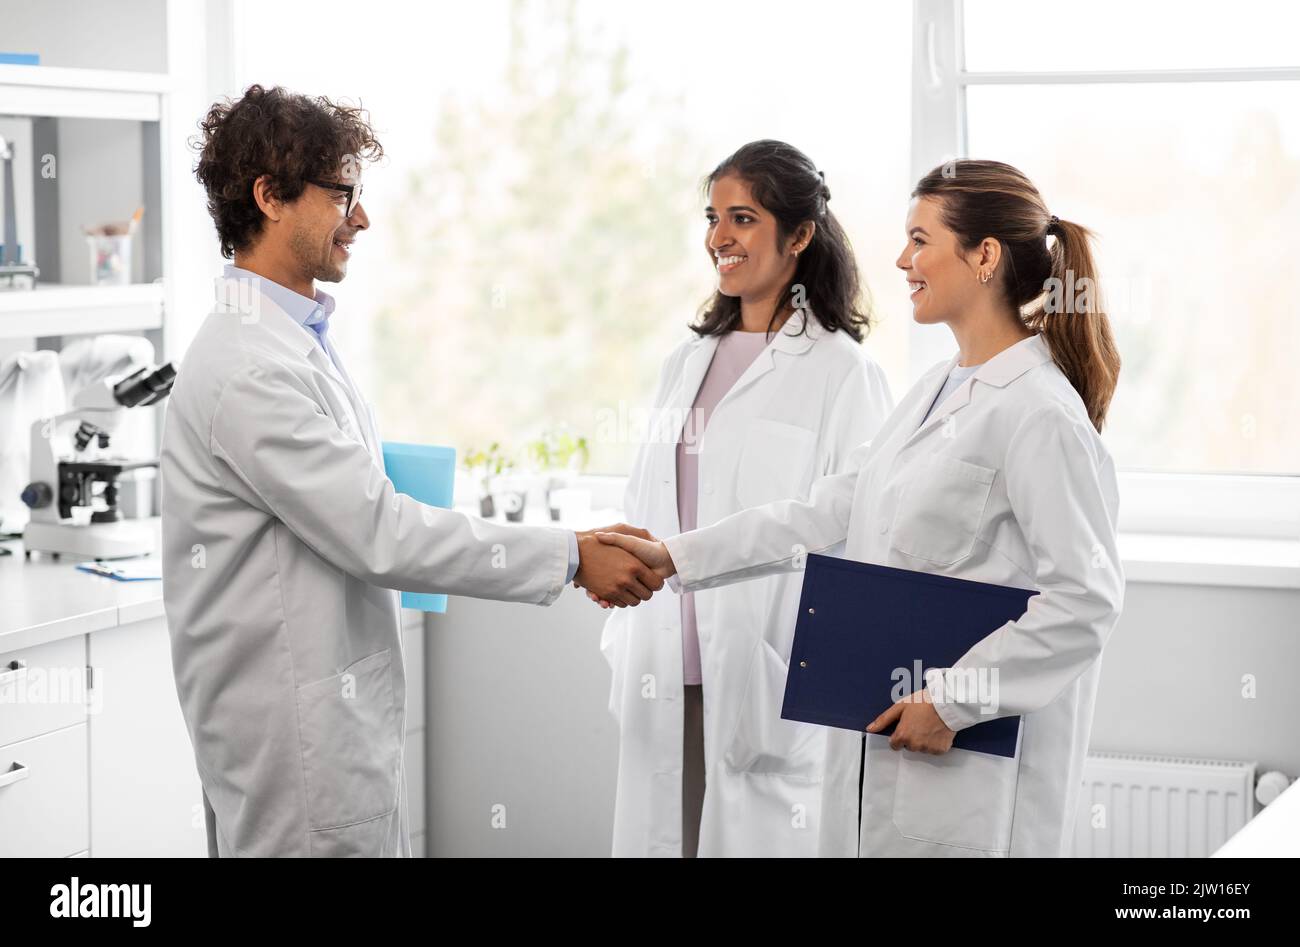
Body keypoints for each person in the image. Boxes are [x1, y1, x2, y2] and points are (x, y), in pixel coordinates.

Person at [161, 85, 659, 857]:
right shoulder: (245, 367)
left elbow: (358, 510)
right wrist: (569, 555)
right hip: (293, 747)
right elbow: (378, 531)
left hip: (328, 726)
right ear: (270, 197)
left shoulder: (291, 337)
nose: (360, 218)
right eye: (342, 195)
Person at [596, 159, 1125, 858]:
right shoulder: (938, 387)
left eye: (920, 239)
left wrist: (952, 701)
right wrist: (678, 554)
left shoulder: (1040, 414)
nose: (903, 259)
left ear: (985, 255)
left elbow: (1084, 600)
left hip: (973, 787)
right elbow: (830, 509)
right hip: (886, 758)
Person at [598, 141, 893, 857]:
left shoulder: (841, 373)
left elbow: (847, 523)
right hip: (664, 662)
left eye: (742, 218)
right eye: (713, 218)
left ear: (798, 236)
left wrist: (683, 557)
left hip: (762, 676)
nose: (718, 238)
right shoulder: (685, 363)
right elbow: (651, 497)